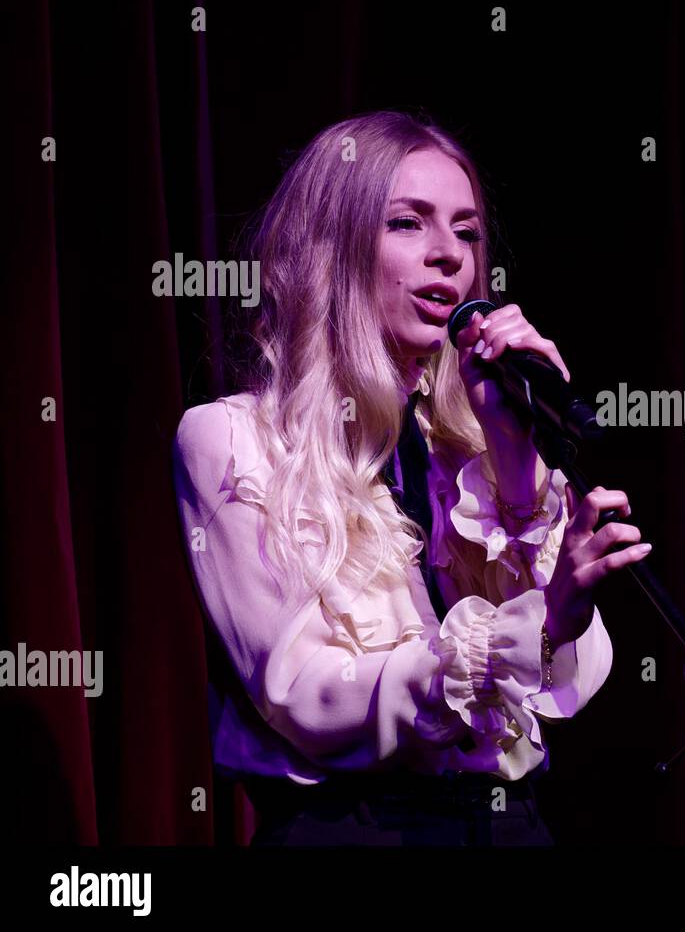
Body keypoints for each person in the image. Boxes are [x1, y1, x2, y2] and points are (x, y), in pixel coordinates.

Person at [171, 110, 652, 845]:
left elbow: (569, 679)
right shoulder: (233, 439)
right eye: (409, 223)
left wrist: (516, 450)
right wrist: (528, 627)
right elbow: (303, 695)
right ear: (332, 247)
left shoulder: (475, 447)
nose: (448, 255)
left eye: (466, 232)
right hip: (354, 828)